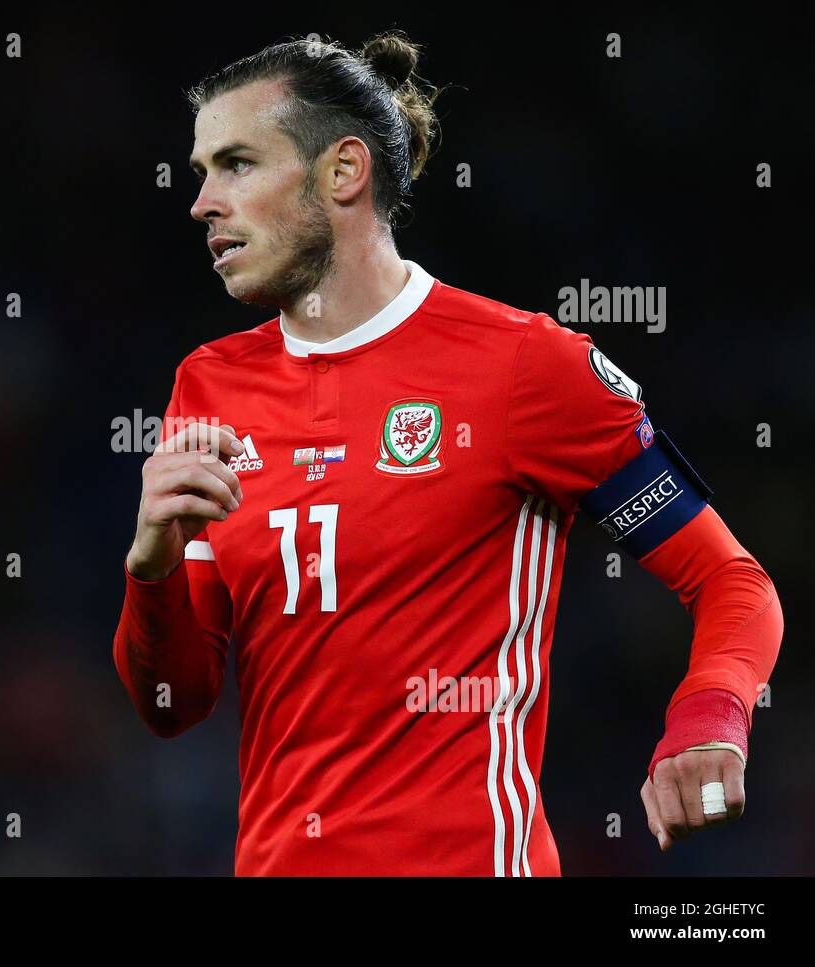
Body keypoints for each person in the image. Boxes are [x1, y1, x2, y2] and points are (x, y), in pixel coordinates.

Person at [112, 32, 783, 875]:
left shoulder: (524, 367)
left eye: (236, 163)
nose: (202, 201)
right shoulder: (209, 386)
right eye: (201, 170)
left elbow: (731, 580)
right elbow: (175, 701)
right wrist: (151, 566)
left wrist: (708, 719)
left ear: (342, 171)